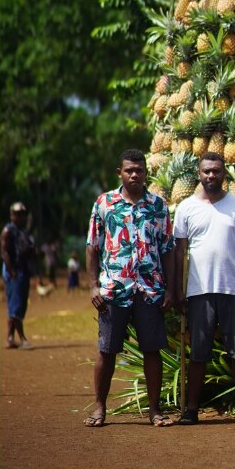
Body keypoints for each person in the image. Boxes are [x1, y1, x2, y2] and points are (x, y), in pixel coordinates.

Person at [84, 149, 178, 428]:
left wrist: (171, 289)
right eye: (129, 170)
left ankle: (155, 410)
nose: (134, 174)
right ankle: (100, 407)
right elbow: (92, 247)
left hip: (149, 290)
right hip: (114, 289)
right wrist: (92, 286)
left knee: (152, 350)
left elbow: (168, 250)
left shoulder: (158, 206)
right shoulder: (105, 203)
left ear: (146, 172)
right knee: (107, 350)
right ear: (120, 173)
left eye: (139, 170)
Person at [172, 152, 235, 426]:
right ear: (198, 174)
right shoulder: (186, 208)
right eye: (206, 171)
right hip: (199, 291)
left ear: (224, 174)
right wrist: (178, 290)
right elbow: (179, 254)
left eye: (216, 171)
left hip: (234, 289)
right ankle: (191, 409)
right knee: (198, 352)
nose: (211, 175)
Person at [1, 202, 36, 349]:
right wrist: (11, 270)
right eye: (17, 214)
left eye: (22, 214)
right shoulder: (8, 230)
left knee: (19, 304)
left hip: (23, 270)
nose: (20, 216)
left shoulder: (22, 231)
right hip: (14, 271)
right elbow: (4, 252)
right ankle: (22, 339)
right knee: (16, 305)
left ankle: (10, 337)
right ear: (11, 215)